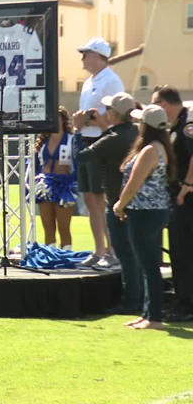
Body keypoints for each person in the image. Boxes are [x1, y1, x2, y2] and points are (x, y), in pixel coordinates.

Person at [113, 104, 175, 330]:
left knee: (148, 265)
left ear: (146, 125)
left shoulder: (150, 150)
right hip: (149, 212)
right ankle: (148, 313)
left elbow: (133, 183)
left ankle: (154, 317)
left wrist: (120, 204)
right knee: (147, 264)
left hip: (145, 213)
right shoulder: (157, 147)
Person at [76, 92, 139, 312]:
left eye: (108, 110)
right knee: (136, 254)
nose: (104, 113)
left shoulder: (113, 137)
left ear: (116, 114)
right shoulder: (137, 132)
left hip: (118, 200)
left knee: (125, 254)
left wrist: (77, 129)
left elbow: (83, 156)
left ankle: (132, 301)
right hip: (137, 200)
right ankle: (140, 299)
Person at [75, 37, 124, 267]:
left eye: (86, 53)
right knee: (90, 197)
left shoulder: (112, 81)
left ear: (98, 56)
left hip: (103, 142)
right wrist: (81, 120)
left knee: (102, 198)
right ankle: (99, 250)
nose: (82, 58)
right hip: (86, 141)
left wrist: (90, 118)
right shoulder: (87, 82)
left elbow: (115, 117)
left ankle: (113, 250)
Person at [151, 85, 193, 322]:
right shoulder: (177, 123)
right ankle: (184, 301)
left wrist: (187, 185)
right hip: (180, 193)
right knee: (180, 249)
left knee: (182, 249)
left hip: (185, 196)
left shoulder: (187, 125)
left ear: (164, 105)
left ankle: (185, 304)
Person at [34, 106, 78, 250]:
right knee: (48, 227)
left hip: (65, 185)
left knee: (64, 227)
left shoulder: (72, 139)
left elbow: (77, 165)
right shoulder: (43, 141)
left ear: (63, 120)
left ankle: (66, 256)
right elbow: (36, 166)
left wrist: (73, 182)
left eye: (56, 118)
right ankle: (51, 256)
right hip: (44, 185)